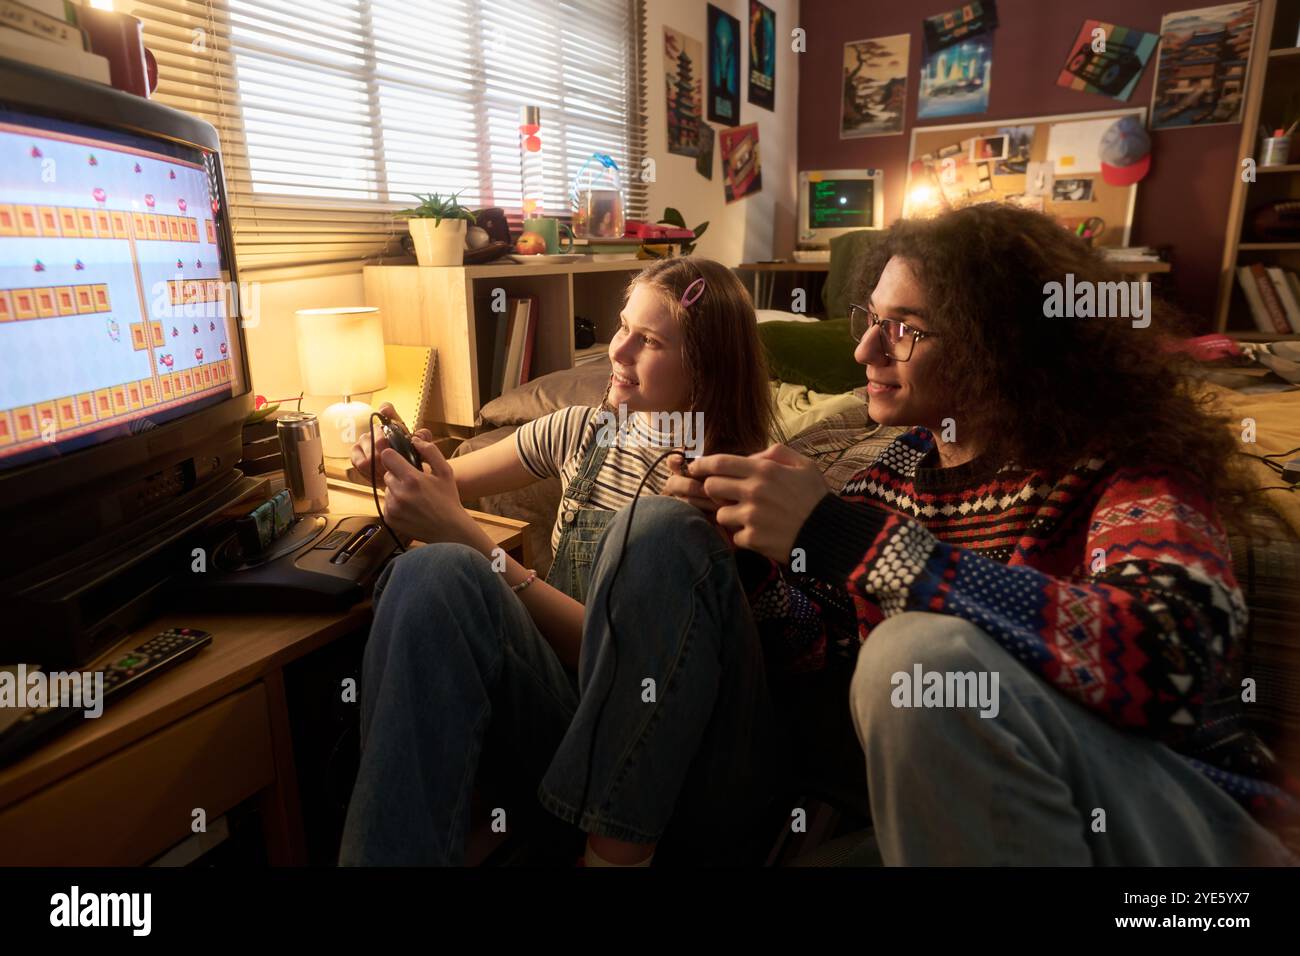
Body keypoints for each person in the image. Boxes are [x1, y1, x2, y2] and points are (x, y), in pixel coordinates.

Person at [665, 204, 1299, 864]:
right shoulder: (891, 479)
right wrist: (752, 560)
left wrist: (841, 536)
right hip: (1008, 816)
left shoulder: (1131, 466)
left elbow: (1175, 652)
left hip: (1188, 825)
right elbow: (825, 659)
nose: (865, 351)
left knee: (919, 657)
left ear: (1002, 345)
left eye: (904, 329)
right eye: (872, 320)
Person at [339, 256, 783, 866]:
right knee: (428, 574)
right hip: (570, 725)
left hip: (670, 752)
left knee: (651, 531)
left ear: (706, 368)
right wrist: (401, 462)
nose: (618, 351)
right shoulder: (582, 431)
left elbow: (617, 659)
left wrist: (466, 534)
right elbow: (449, 479)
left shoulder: (728, 489)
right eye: (621, 326)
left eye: (649, 340)